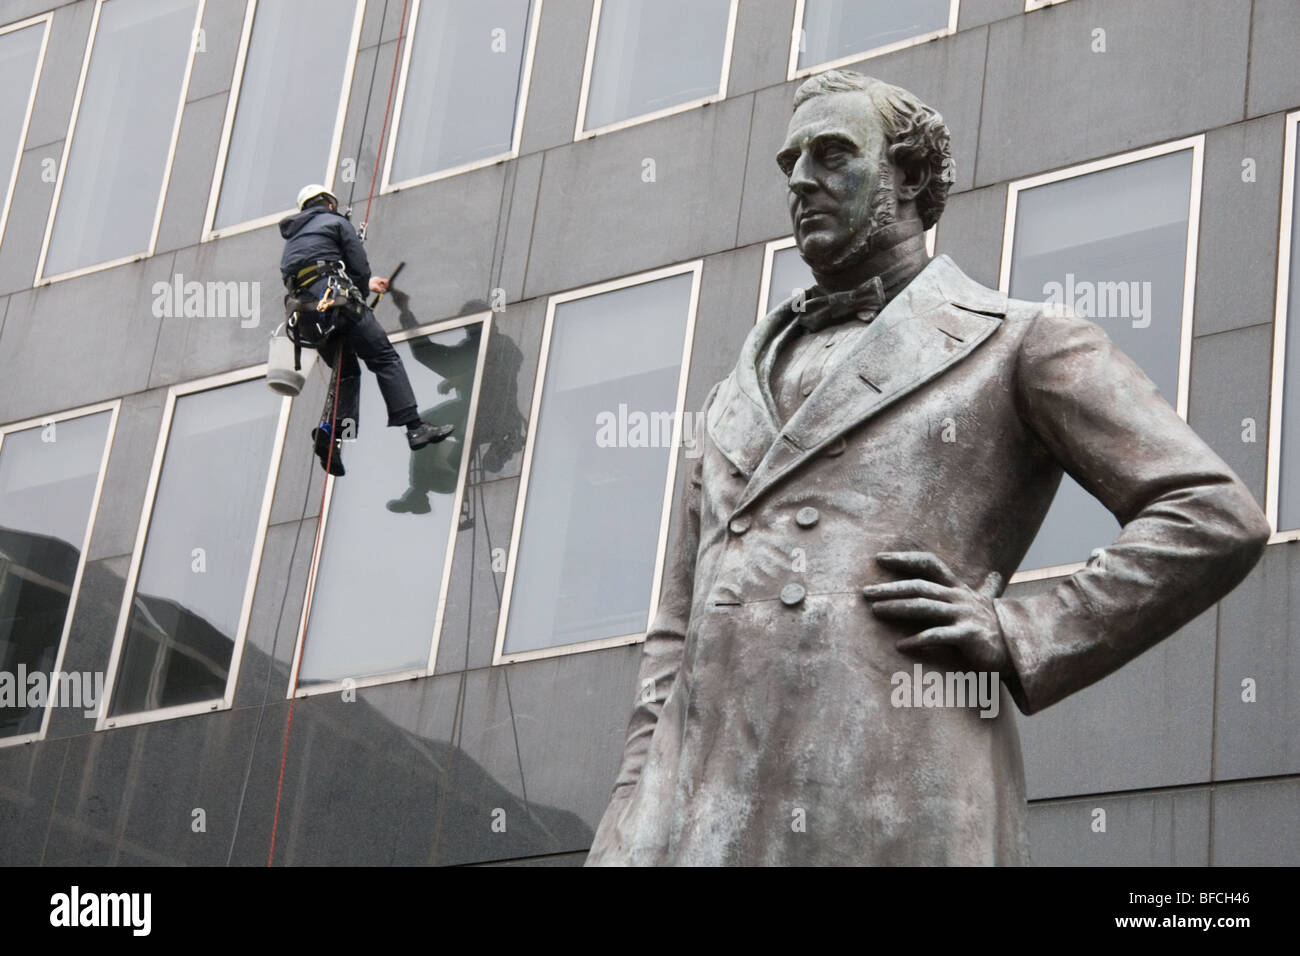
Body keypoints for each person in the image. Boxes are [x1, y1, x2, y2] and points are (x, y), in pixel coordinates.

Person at [586, 71, 1272, 865]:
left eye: (833, 154)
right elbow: (676, 632)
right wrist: (627, 817)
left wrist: (1024, 631)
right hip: (692, 819)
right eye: (791, 162)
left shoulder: (1021, 341)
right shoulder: (726, 397)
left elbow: (1212, 513)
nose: (803, 178)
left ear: (909, 177)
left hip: (888, 793)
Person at [279, 184, 453, 476]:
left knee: (347, 374)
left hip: (310, 317)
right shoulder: (335, 222)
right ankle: (414, 428)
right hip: (340, 303)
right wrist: (361, 290)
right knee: (384, 357)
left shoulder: (291, 244)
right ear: (329, 204)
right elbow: (358, 267)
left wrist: (364, 285)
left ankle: (332, 436)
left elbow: (314, 273)